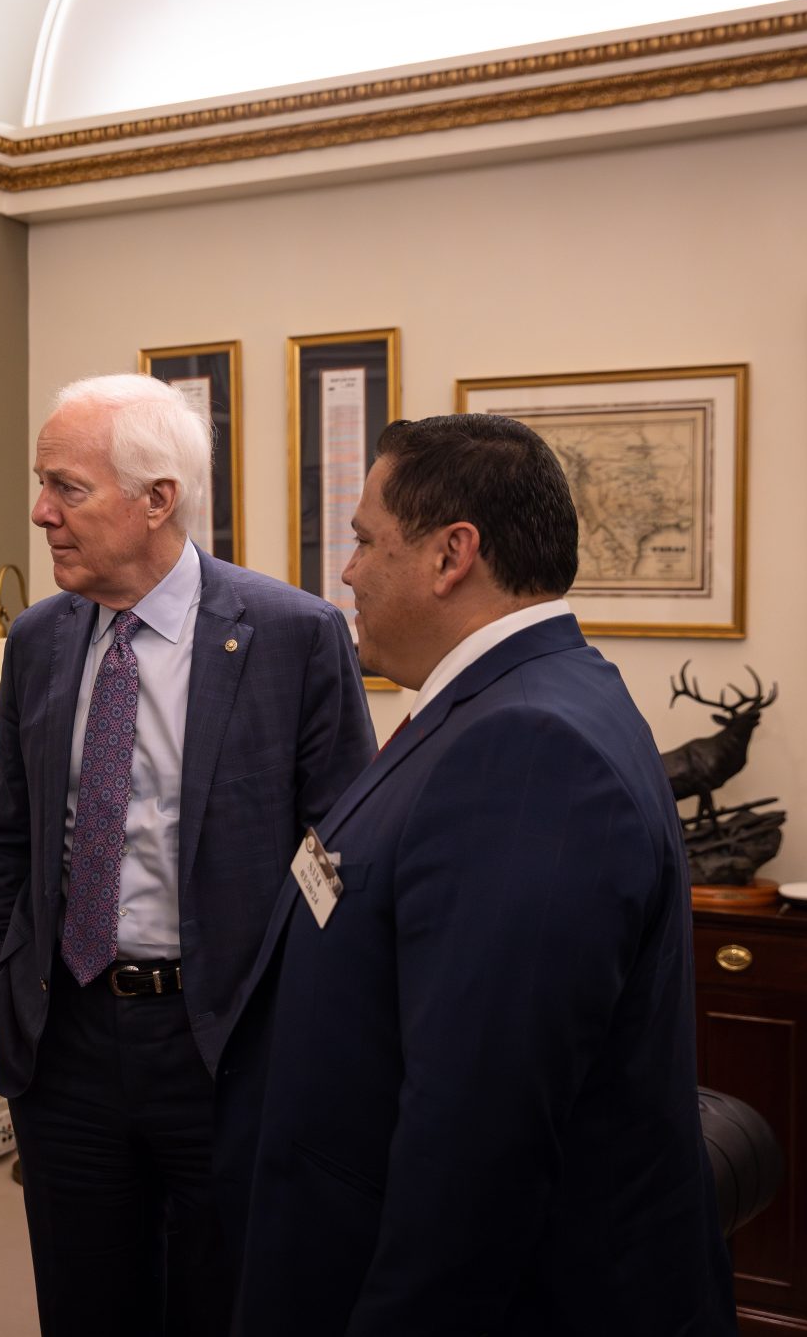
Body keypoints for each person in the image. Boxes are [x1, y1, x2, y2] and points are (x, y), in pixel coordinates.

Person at [224, 414, 734, 1336]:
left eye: (366, 542)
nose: (348, 574)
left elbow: (476, 1142)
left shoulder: (529, 747)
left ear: (451, 554)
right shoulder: (518, 696)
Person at [0, 373, 374, 1336]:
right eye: (42, 485)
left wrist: (298, 1034)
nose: (41, 512)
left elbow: (343, 862)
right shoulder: (38, 639)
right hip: (65, 1039)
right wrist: (2, 973)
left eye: (67, 488)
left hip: (222, 1048)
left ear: (158, 499)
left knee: (224, 1305)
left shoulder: (293, 635)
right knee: (85, 1306)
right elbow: (10, 836)